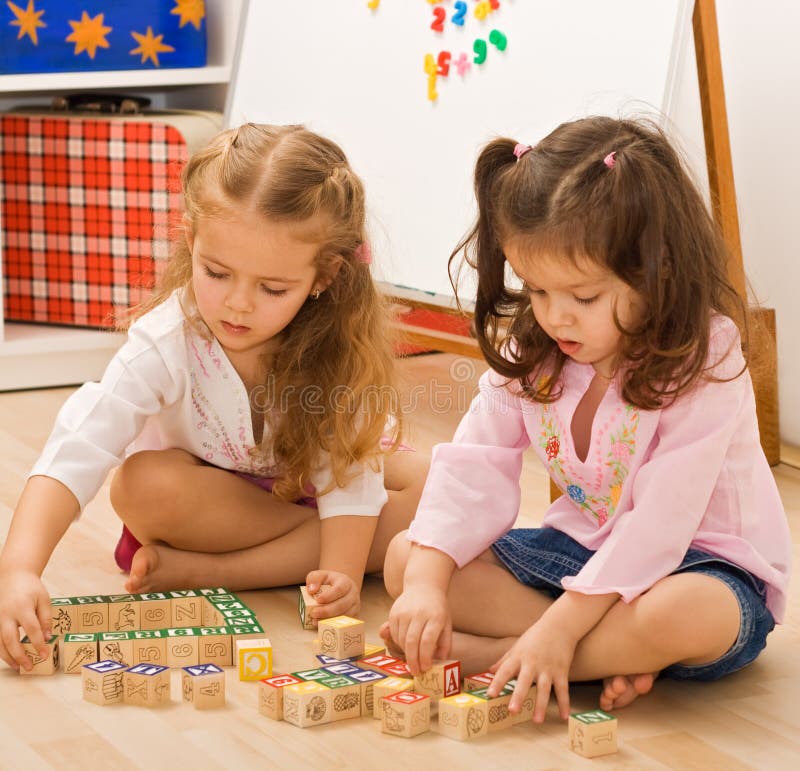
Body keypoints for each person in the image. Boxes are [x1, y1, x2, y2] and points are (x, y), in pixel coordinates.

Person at [381, 116, 791, 723]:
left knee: (687, 612)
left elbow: (661, 525)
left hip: (699, 564)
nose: (556, 318)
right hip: (577, 555)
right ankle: (599, 654)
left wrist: (562, 627)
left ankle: (527, 651)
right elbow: (471, 464)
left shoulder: (707, 357)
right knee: (404, 556)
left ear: (659, 273)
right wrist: (424, 583)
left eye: (584, 297)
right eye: (538, 291)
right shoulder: (536, 352)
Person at [0, 123, 427, 671]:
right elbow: (78, 447)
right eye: (217, 273)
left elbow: (351, 472)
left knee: (439, 479)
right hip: (216, 505)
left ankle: (215, 572)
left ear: (325, 276)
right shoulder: (166, 340)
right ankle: (305, 552)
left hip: (313, 493)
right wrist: (17, 569)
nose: (239, 305)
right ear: (190, 241)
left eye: (273, 289)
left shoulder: (339, 353)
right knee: (140, 485)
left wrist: (338, 579)